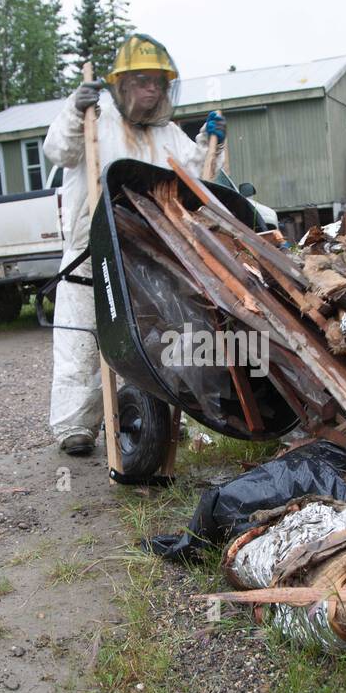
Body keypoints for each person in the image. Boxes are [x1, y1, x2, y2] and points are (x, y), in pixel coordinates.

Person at [43, 34, 226, 454]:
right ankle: (76, 425)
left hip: (141, 257)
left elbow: (197, 178)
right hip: (90, 251)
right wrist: (75, 109)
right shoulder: (95, 117)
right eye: (144, 81)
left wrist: (210, 143)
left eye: (159, 83)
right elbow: (58, 150)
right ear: (123, 85)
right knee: (80, 341)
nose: (153, 90)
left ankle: (153, 419)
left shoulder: (168, 134)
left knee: (153, 340)